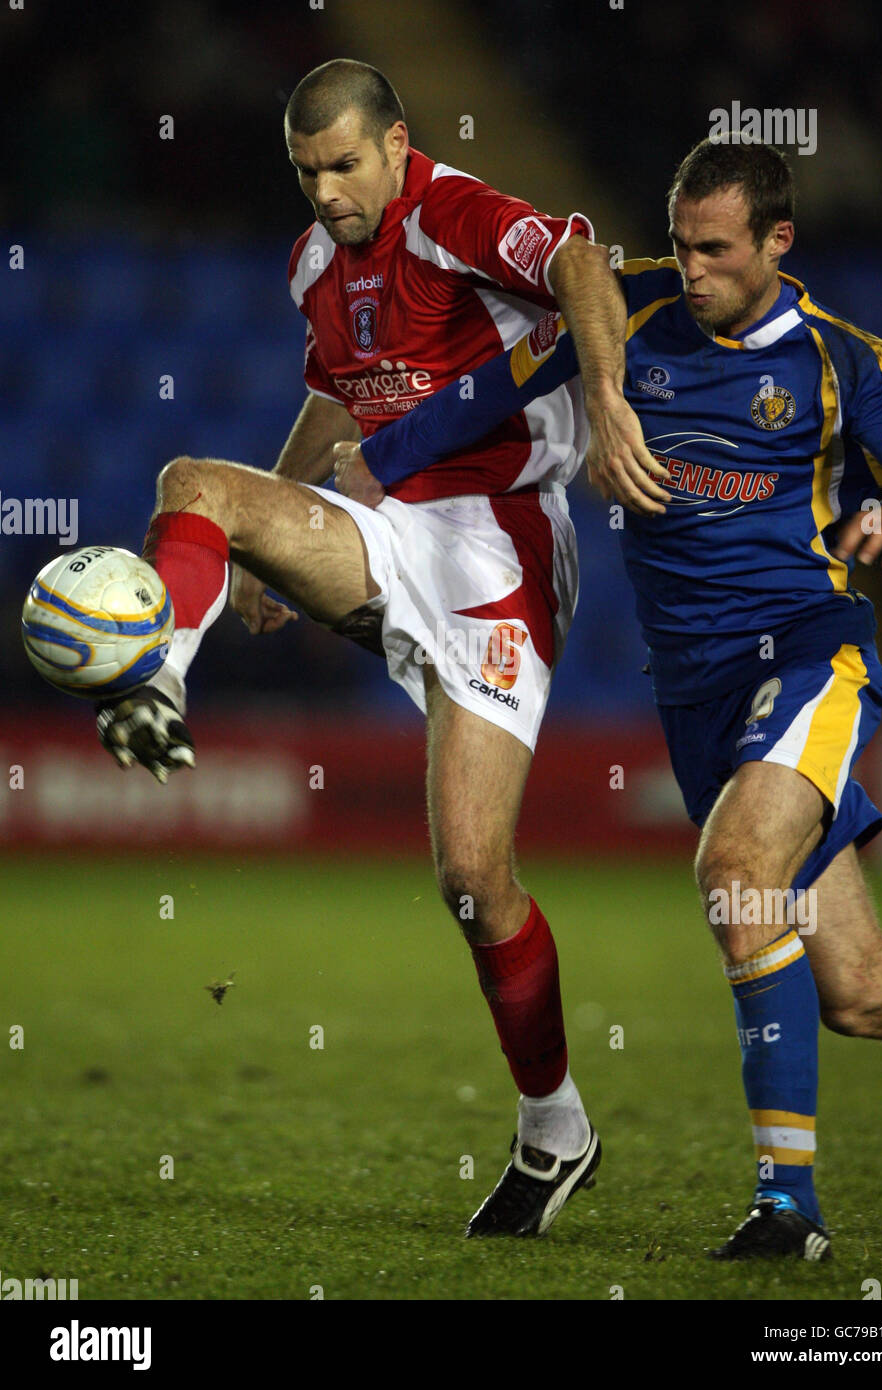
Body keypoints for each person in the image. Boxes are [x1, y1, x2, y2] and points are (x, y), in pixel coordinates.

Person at [332, 137, 882, 1260]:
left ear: (775, 244)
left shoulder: (846, 364)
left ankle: (787, 1206)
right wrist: (377, 464)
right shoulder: (630, 312)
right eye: (680, 242)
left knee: (736, 871)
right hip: (697, 695)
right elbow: (490, 391)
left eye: (715, 250)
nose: (691, 267)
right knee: (860, 995)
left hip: (810, 659)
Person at [94, 59, 668, 1238]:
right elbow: (336, 399)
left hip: (497, 553)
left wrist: (607, 399)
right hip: (385, 522)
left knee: (473, 878)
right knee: (196, 482)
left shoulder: (451, 210)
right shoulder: (314, 264)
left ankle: (555, 1127)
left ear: (398, 145)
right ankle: (153, 672)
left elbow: (581, 266)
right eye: (307, 174)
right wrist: (266, 543)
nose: (327, 194)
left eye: (346, 166)